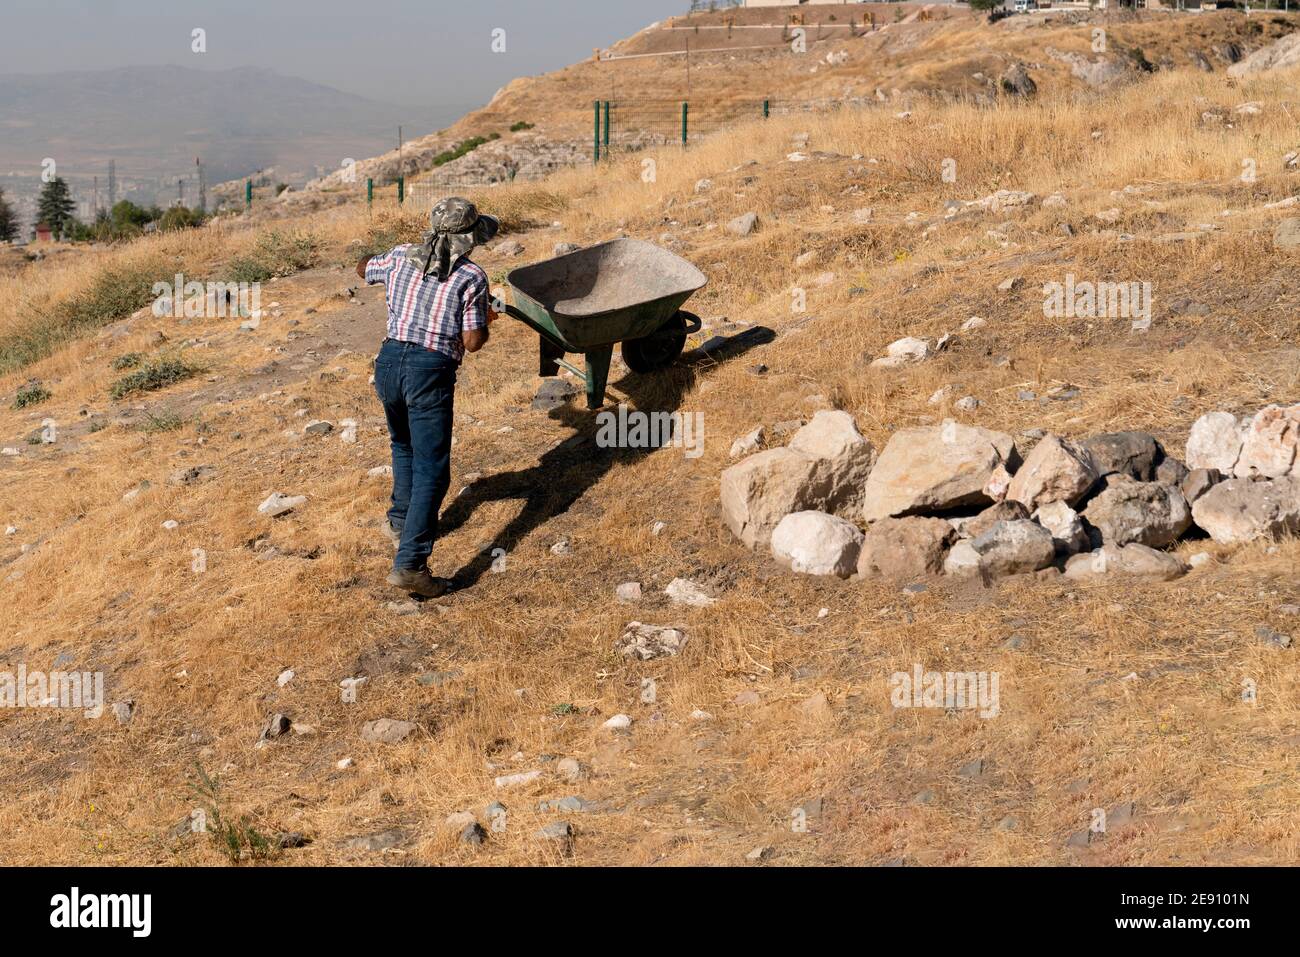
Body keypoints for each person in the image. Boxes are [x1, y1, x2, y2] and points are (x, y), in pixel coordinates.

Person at [356, 196, 499, 597]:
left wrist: (373, 259)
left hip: (388, 362)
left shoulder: (401, 256)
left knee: (403, 445)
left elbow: (364, 266)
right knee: (433, 468)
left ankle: (401, 521)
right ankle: (411, 564)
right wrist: (484, 317)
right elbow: (472, 342)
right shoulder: (471, 276)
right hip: (429, 369)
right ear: (471, 238)